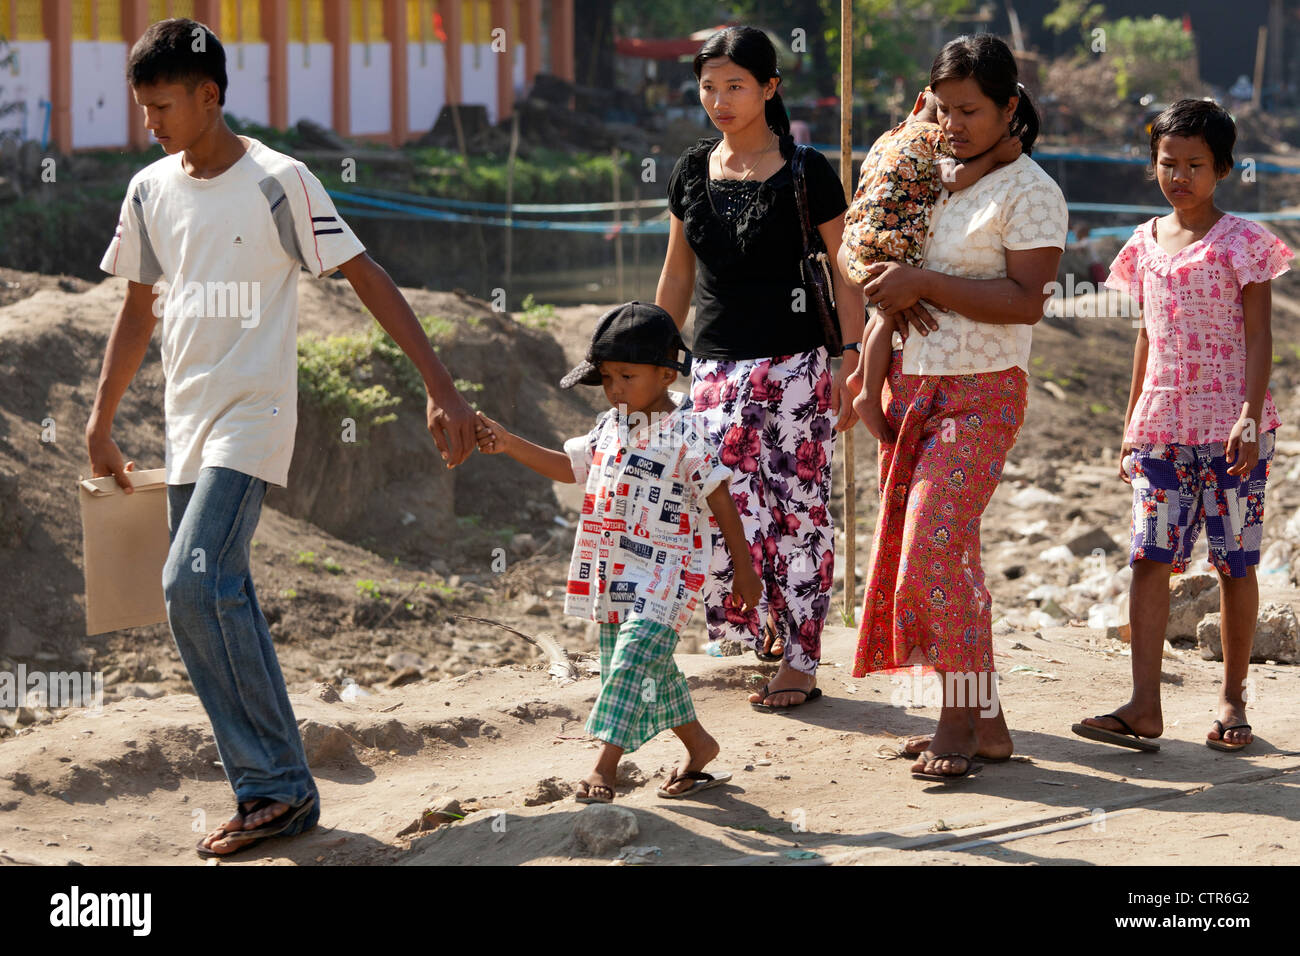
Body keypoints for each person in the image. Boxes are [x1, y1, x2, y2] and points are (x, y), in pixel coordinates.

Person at [86, 19, 476, 857]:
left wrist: (440, 384)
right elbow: (137, 306)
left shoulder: (280, 181)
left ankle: (277, 789)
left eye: (163, 106)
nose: (150, 122)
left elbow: (365, 273)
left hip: (253, 419)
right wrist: (100, 416)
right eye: (143, 108)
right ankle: (274, 787)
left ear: (210, 97)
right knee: (211, 593)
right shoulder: (149, 190)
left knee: (194, 581)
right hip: (187, 421)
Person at [841, 34, 1067, 781]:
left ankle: (956, 727)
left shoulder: (1032, 192)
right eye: (942, 109)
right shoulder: (925, 176)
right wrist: (870, 376)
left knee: (931, 551)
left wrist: (922, 283)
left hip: (983, 395)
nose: (954, 124)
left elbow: (1025, 303)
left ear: (1009, 106)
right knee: (952, 560)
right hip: (909, 392)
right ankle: (990, 726)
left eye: (970, 110)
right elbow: (884, 272)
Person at [1073, 99, 1292, 754]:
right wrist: (1129, 424)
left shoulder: (1247, 243)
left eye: (1195, 164)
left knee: (1234, 563)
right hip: (1162, 426)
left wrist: (1250, 418)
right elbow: (1146, 334)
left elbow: (1260, 338)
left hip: (1233, 428)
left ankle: (1232, 698)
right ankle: (1143, 706)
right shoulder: (1142, 242)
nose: (1180, 176)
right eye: (1168, 163)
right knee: (1149, 555)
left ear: (1222, 168)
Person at [474, 303, 763, 801]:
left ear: (666, 371)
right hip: (611, 573)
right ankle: (700, 745)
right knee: (643, 669)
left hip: (670, 575)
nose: (615, 389)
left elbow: (720, 499)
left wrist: (745, 570)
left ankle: (603, 767)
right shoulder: (608, 425)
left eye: (626, 376)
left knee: (631, 660)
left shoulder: (686, 433)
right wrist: (507, 442)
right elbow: (571, 469)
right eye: (607, 377)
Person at [656, 25, 864, 710]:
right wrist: (655, 362)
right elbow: (678, 277)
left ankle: (803, 657)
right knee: (720, 509)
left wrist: (850, 356)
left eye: (735, 86)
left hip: (795, 369)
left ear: (769, 88)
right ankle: (764, 630)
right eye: (708, 86)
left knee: (797, 511)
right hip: (712, 373)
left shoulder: (807, 171)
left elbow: (848, 270)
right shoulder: (690, 170)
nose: (719, 99)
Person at [842, 87, 1023, 443]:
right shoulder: (934, 139)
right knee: (886, 315)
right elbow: (952, 177)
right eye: (948, 111)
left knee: (881, 310)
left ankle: (862, 371)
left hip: (859, 237)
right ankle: (866, 392)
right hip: (889, 242)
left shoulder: (890, 136)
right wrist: (993, 158)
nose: (954, 124)